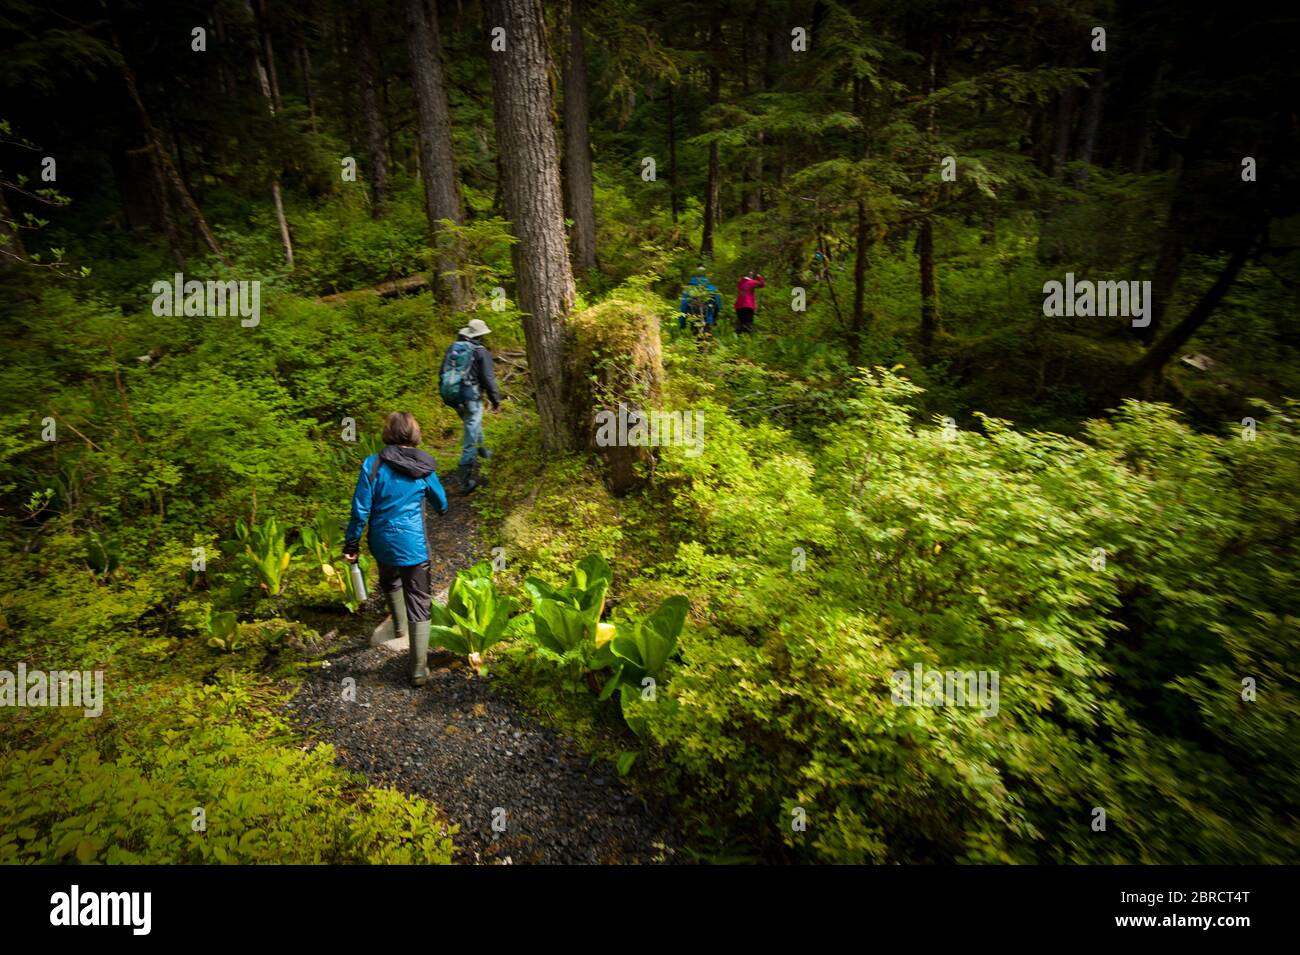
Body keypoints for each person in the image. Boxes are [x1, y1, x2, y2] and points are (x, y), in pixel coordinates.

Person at [343, 412, 449, 687]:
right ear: (414, 433)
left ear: (388, 433)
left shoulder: (373, 464)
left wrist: (352, 543)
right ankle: (418, 670)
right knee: (419, 599)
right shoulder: (424, 465)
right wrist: (435, 505)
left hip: (381, 540)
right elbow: (441, 503)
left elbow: (360, 509)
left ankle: (400, 627)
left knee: (389, 577)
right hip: (413, 544)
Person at [439, 318, 501, 494]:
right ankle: (464, 482)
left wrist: (449, 396)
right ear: (480, 335)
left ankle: (485, 453)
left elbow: (442, 373)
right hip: (471, 399)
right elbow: (488, 379)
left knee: (472, 425)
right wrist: (496, 400)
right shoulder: (481, 352)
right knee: (470, 438)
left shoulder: (453, 349)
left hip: (454, 398)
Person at [678, 267, 722, 335]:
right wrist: (714, 318)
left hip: (694, 318)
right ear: (705, 275)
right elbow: (718, 305)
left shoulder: (688, 288)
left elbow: (683, 307)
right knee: (707, 336)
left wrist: (682, 324)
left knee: (696, 336)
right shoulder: (712, 288)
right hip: (708, 319)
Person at [734, 270, 766, 334]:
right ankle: (751, 337)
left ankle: (737, 336)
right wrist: (759, 276)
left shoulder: (741, 283)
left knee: (741, 323)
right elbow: (762, 284)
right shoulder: (750, 282)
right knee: (748, 324)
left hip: (738, 306)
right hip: (748, 305)